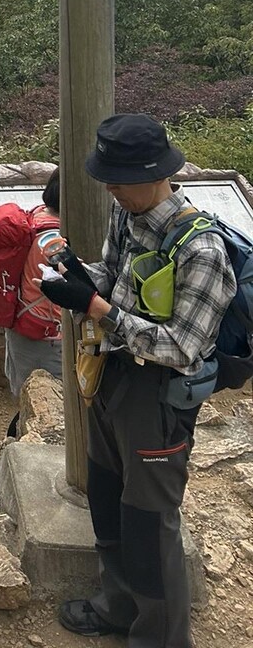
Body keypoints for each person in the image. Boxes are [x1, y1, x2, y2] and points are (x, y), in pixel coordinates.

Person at [39, 114, 234, 648]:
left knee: (149, 523)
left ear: (155, 174)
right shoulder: (128, 214)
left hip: (159, 398)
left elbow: (181, 347)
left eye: (119, 180)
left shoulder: (202, 251)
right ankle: (117, 607)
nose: (111, 189)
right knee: (107, 497)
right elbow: (115, 276)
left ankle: (161, 638)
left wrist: (95, 307)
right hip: (113, 376)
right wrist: (77, 275)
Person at [3, 168, 63, 420]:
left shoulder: (36, 217)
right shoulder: (55, 240)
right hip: (45, 335)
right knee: (51, 407)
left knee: (25, 398)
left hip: (20, 321)